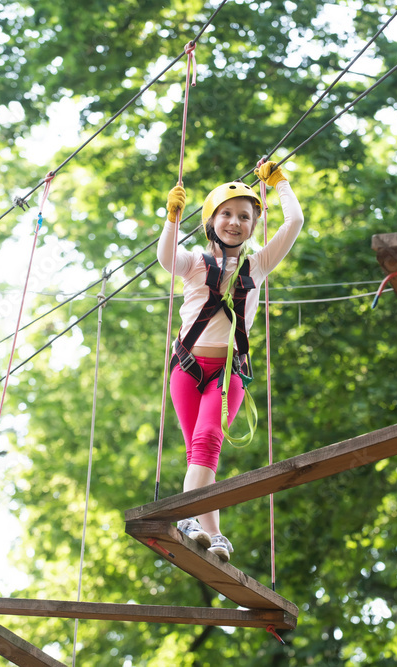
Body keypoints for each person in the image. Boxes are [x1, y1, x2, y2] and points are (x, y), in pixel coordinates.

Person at [157, 161, 304, 562]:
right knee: (198, 455)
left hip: (227, 372)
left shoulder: (258, 264)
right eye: (226, 214)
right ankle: (214, 534)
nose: (235, 222)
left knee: (207, 441)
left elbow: (294, 222)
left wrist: (279, 183)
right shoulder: (194, 263)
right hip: (186, 369)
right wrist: (172, 218)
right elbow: (166, 259)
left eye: (244, 216)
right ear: (211, 221)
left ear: (254, 224)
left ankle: (188, 517)